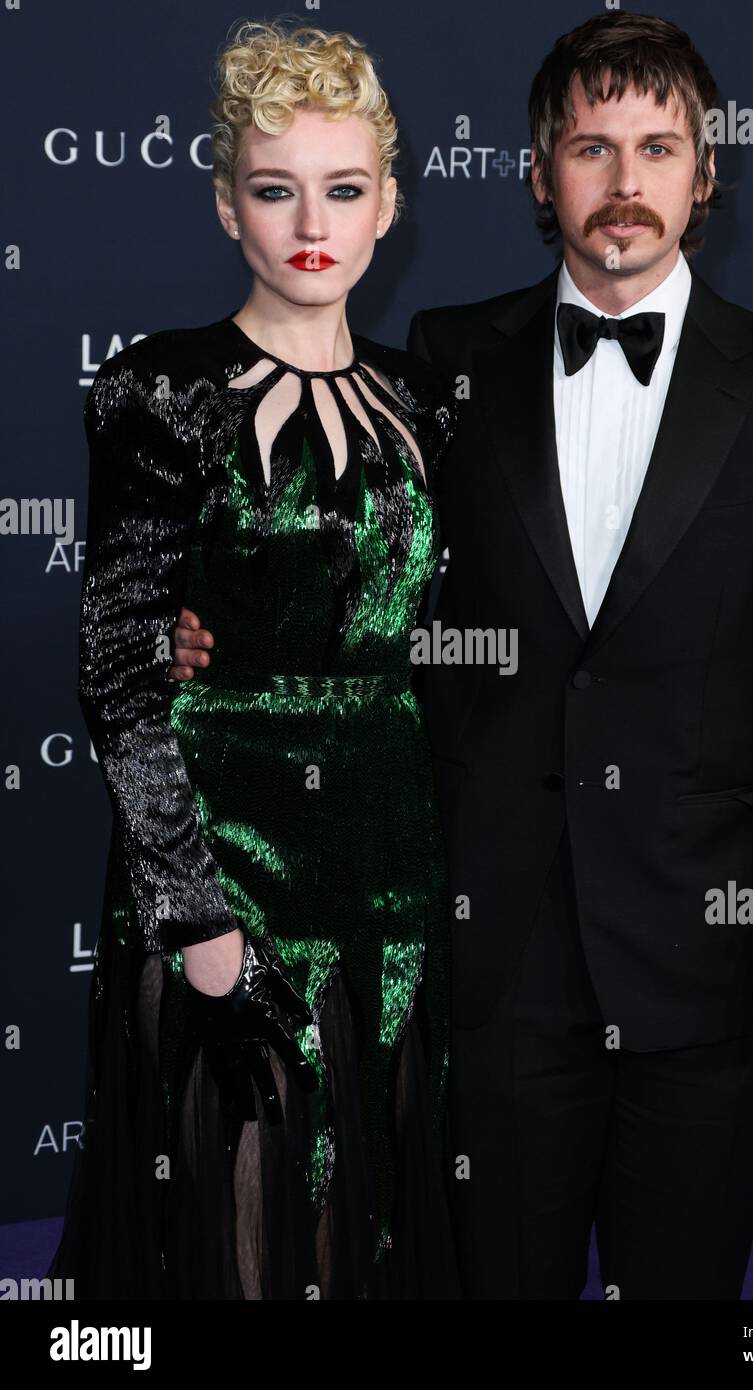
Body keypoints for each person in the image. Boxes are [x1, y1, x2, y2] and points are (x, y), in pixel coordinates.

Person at [171, 13, 753, 1299]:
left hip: (705, 945)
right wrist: (206, 625)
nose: (624, 184)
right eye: (588, 148)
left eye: (657, 147)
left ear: (704, 173)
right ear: (538, 172)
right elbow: (356, 568)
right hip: (488, 940)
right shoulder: (444, 360)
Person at [48, 20, 460, 1300]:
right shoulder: (162, 390)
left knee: (370, 1208)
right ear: (228, 204)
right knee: (235, 1213)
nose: (310, 225)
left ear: (388, 203)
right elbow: (120, 669)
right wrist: (197, 919)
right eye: (275, 191)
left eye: (342, 190)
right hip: (229, 851)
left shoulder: (429, 400)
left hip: (390, 857)